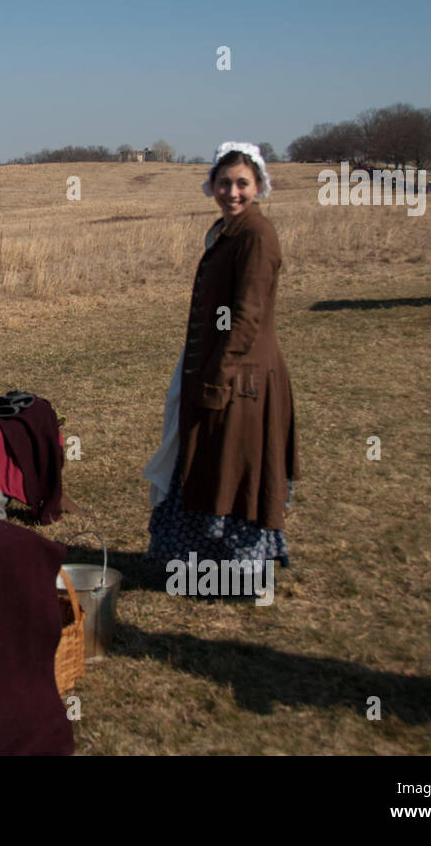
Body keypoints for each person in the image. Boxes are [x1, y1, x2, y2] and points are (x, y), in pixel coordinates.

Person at [143, 142, 297, 572]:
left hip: (241, 375)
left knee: (235, 467)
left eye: (242, 184)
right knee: (209, 460)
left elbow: (246, 317)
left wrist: (218, 375)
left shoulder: (256, 234)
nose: (232, 192)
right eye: (224, 183)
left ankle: (239, 566)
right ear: (211, 185)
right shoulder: (229, 230)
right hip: (218, 366)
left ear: (259, 185)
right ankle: (200, 562)